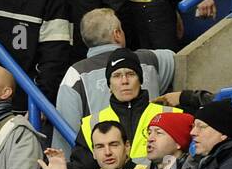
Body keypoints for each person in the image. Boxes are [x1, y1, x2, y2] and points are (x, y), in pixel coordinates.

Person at [54, 9, 176, 157]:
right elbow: (178, 59)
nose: (124, 81)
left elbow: (66, 133)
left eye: (130, 74)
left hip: (103, 168)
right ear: (117, 34)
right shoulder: (150, 60)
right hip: (156, 168)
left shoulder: (75, 74)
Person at [69, 50, 176, 169]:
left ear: (140, 80)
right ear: (109, 84)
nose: (124, 81)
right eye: (117, 75)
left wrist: (186, 97)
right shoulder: (91, 124)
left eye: (131, 74)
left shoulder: (170, 115)